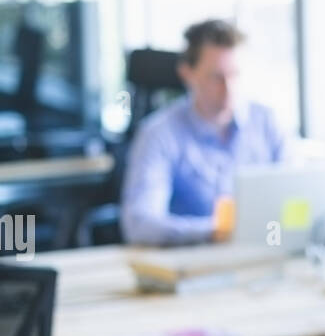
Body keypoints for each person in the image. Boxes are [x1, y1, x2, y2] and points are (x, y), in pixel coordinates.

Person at [120, 19, 284, 246]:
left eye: (235, 74)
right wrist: (216, 231)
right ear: (187, 73)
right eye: (217, 77)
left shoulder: (267, 122)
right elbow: (140, 224)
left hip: (262, 253)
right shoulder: (158, 134)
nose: (229, 88)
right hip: (194, 262)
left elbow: (295, 195)